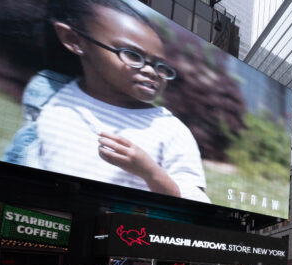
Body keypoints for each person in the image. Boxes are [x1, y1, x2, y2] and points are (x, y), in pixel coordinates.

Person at [22, 0, 209, 202]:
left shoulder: (170, 130)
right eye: (131, 54)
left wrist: (150, 172)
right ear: (73, 40)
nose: (150, 71)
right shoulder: (48, 96)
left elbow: (195, 205)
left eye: (159, 65)